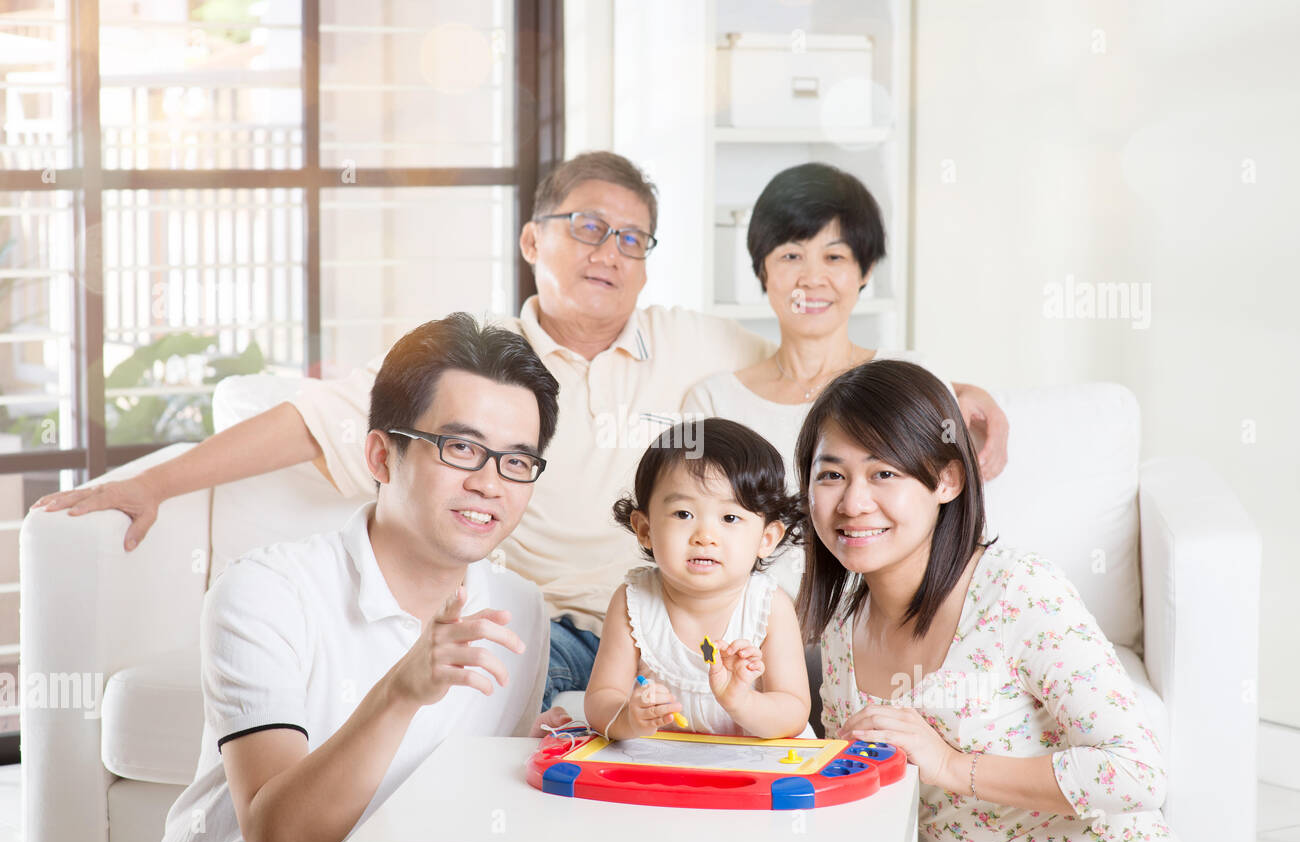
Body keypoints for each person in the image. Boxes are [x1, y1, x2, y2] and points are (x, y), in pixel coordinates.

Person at [33, 151, 1009, 709]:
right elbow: (326, 412)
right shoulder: (476, 355)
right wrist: (157, 481)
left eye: (632, 239)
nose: (609, 253)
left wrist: (957, 394)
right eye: (586, 226)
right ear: (531, 240)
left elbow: (817, 355)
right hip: (535, 630)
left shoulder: (688, 344)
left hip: (674, 624)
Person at [154, 314, 568, 842]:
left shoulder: (521, 609)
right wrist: (400, 693)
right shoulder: (265, 592)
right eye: (461, 449)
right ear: (379, 456)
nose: (489, 484)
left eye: (516, 461)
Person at [795, 359, 1189, 842]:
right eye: (831, 474)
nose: (853, 502)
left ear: (948, 480)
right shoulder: (841, 631)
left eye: (884, 473)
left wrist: (951, 765)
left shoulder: (1016, 590)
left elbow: (1138, 773)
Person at [683, 162, 998, 602]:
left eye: (835, 257)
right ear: (762, 271)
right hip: (749, 632)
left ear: (865, 271)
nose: (812, 278)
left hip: (882, 618)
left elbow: (949, 523)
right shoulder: (713, 399)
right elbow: (692, 532)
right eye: (791, 255)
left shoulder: (912, 375)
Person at [584, 418, 810, 740]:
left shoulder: (770, 607)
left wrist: (741, 701)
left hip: (755, 770)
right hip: (667, 771)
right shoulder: (633, 601)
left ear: (767, 538)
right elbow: (600, 698)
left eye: (730, 517)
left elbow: (793, 713)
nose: (705, 536)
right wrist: (628, 718)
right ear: (645, 529)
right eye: (683, 514)